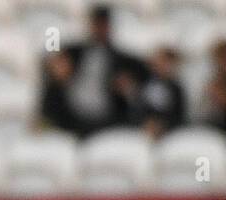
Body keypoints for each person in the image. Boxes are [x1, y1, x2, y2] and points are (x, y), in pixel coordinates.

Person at [39, 4, 147, 137]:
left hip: (107, 118)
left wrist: (128, 86)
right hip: (71, 115)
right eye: (96, 24)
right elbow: (50, 46)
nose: (99, 29)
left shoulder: (125, 60)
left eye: (103, 25)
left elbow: (144, 80)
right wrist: (57, 67)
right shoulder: (73, 51)